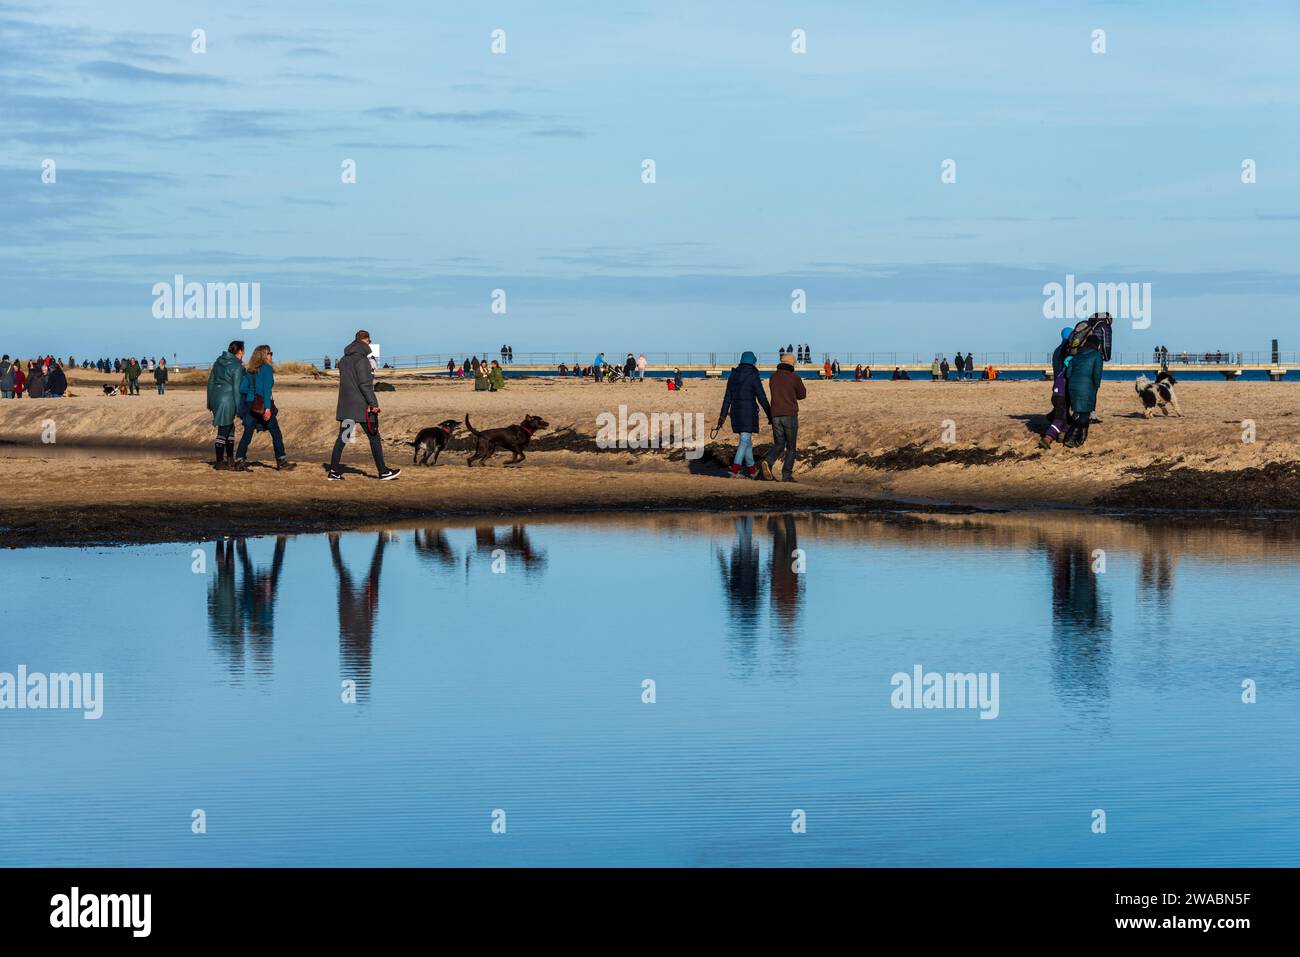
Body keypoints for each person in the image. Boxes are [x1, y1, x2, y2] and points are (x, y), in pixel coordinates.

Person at [328, 331, 400, 481]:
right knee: (374, 437)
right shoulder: (362, 361)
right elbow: (365, 385)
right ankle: (383, 472)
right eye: (369, 341)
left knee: (343, 438)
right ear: (365, 341)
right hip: (362, 408)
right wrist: (373, 404)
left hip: (347, 406)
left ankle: (333, 471)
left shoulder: (344, 360)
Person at [233, 345, 292, 471]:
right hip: (262, 405)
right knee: (276, 433)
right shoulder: (267, 369)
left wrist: (252, 391)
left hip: (250, 404)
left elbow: (242, 388)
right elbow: (266, 390)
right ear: (264, 355)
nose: (271, 355)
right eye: (270, 353)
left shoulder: (250, 370)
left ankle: (239, 460)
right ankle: (281, 461)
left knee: (247, 434)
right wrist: (267, 408)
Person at [716, 350, 771, 479]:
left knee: (747, 441)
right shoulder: (753, 375)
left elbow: (727, 398)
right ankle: (735, 469)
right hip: (748, 412)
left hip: (735, 412)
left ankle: (752, 470)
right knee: (745, 440)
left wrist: (722, 416)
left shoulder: (733, 375)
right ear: (752, 362)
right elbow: (761, 396)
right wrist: (769, 413)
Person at [760, 352, 806, 482]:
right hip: (789, 414)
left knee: (779, 444)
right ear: (792, 364)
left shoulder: (773, 377)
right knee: (791, 447)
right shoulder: (794, 377)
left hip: (775, 414)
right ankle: (787, 475)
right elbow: (802, 394)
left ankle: (768, 462)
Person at [207, 340, 245, 469]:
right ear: (239, 351)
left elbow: (210, 382)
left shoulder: (218, 362)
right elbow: (236, 388)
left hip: (215, 397)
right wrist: (240, 408)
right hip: (227, 399)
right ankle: (219, 461)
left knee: (230, 427)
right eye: (243, 351)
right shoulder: (237, 366)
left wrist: (209, 401)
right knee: (223, 429)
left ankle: (229, 459)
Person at [1064, 335, 1104, 448]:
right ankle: (1071, 438)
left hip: (1072, 386)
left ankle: (1082, 437)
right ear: (1097, 345)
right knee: (1085, 414)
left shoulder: (1076, 355)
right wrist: (1096, 387)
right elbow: (1097, 374)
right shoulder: (1097, 356)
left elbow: (1068, 374)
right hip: (1087, 386)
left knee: (1079, 411)